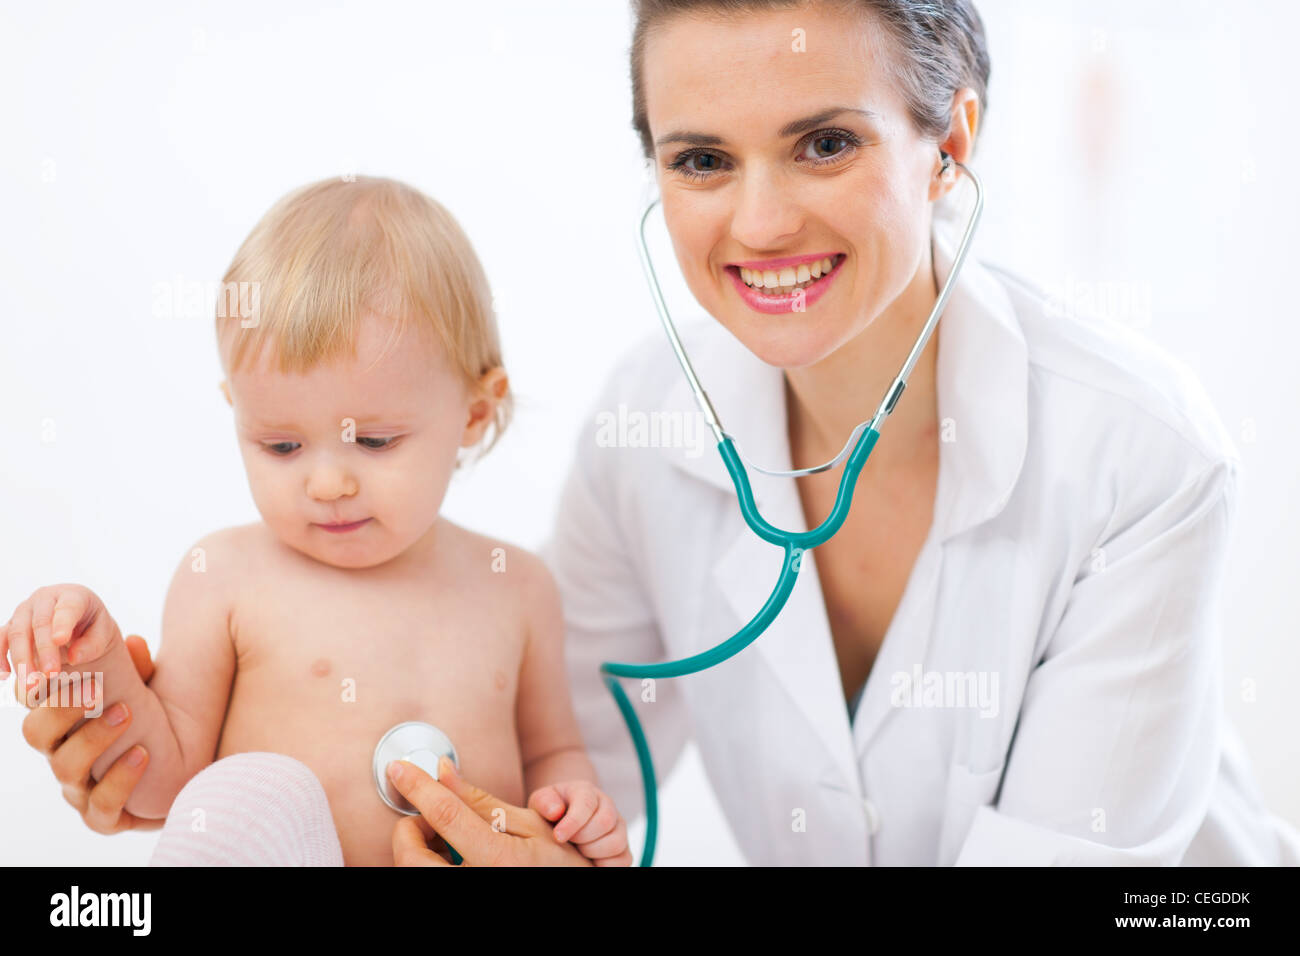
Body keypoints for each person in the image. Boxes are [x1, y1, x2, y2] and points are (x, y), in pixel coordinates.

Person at [535, 0, 1300, 864]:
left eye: (824, 145)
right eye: (703, 160)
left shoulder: (1141, 455)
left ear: (951, 145)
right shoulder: (640, 429)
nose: (759, 224)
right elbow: (555, 768)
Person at [6, 175, 630, 866]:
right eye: (281, 446)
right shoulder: (226, 580)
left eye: (375, 441)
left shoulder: (518, 587)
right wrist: (97, 671)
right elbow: (165, 785)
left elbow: (553, 750)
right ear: (237, 410)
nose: (328, 483)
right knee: (250, 791)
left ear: (474, 415)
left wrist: (575, 808)